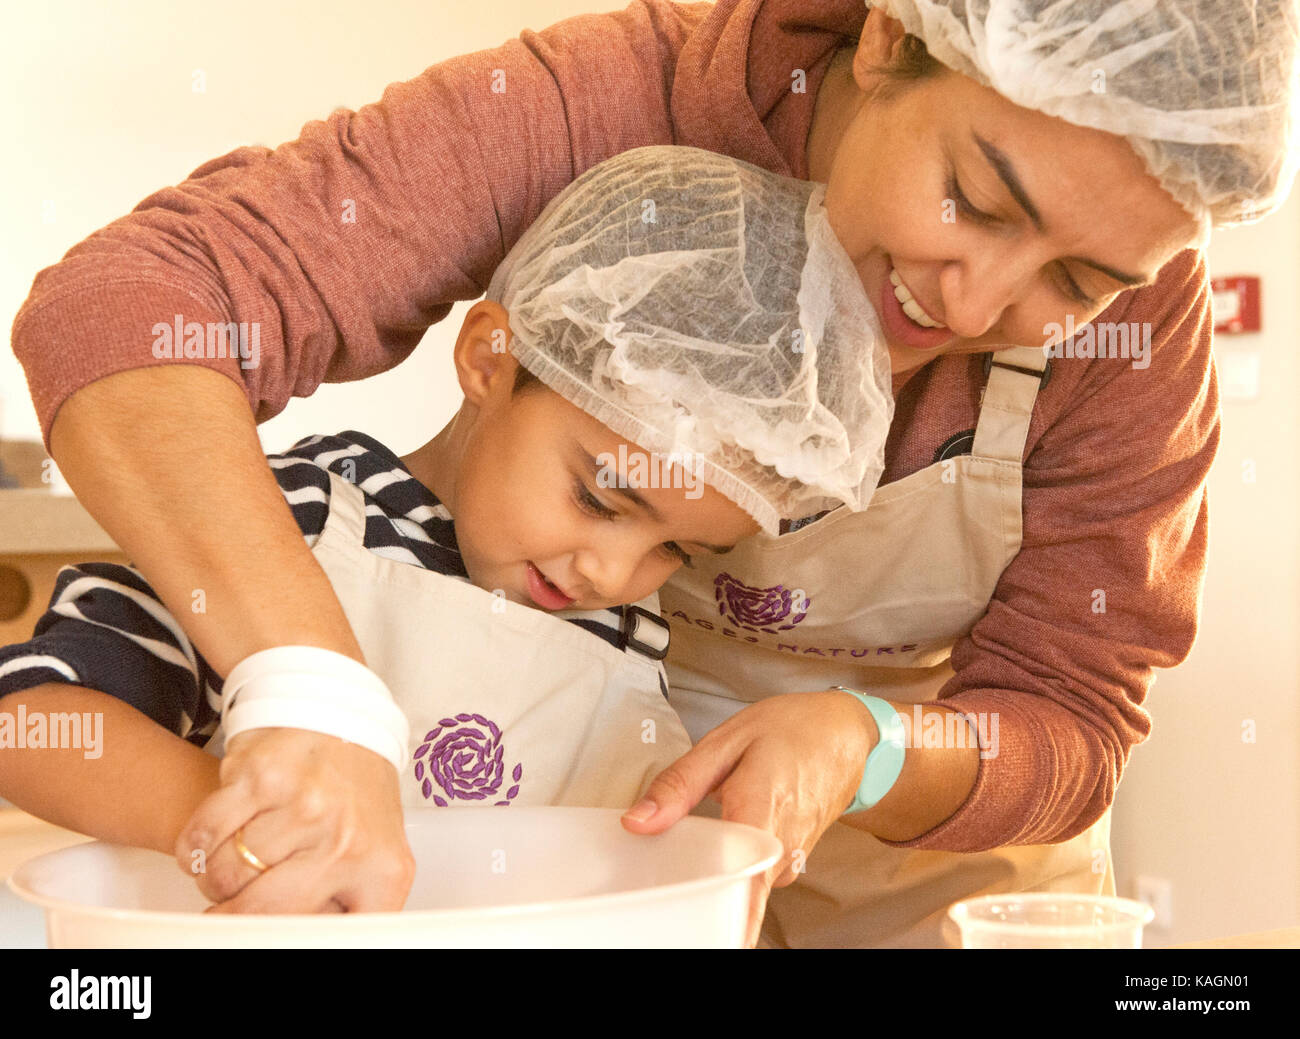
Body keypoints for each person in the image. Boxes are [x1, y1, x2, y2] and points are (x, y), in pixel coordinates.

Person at [9, 0, 1298, 947]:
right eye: (975, 195)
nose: (978, 300)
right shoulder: (605, 99)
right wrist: (307, 686)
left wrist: (878, 744)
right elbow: (127, 310)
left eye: (1077, 283)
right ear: (892, 37)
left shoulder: (1140, 311)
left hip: (941, 893)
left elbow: (1072, 708)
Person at [0, 146, 890, 883]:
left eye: (676, 552)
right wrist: (252, 831)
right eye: (598, 497)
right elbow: (34, 721)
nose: (613, 575)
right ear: (489, 359)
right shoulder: (306, 519)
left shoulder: (628, 635)